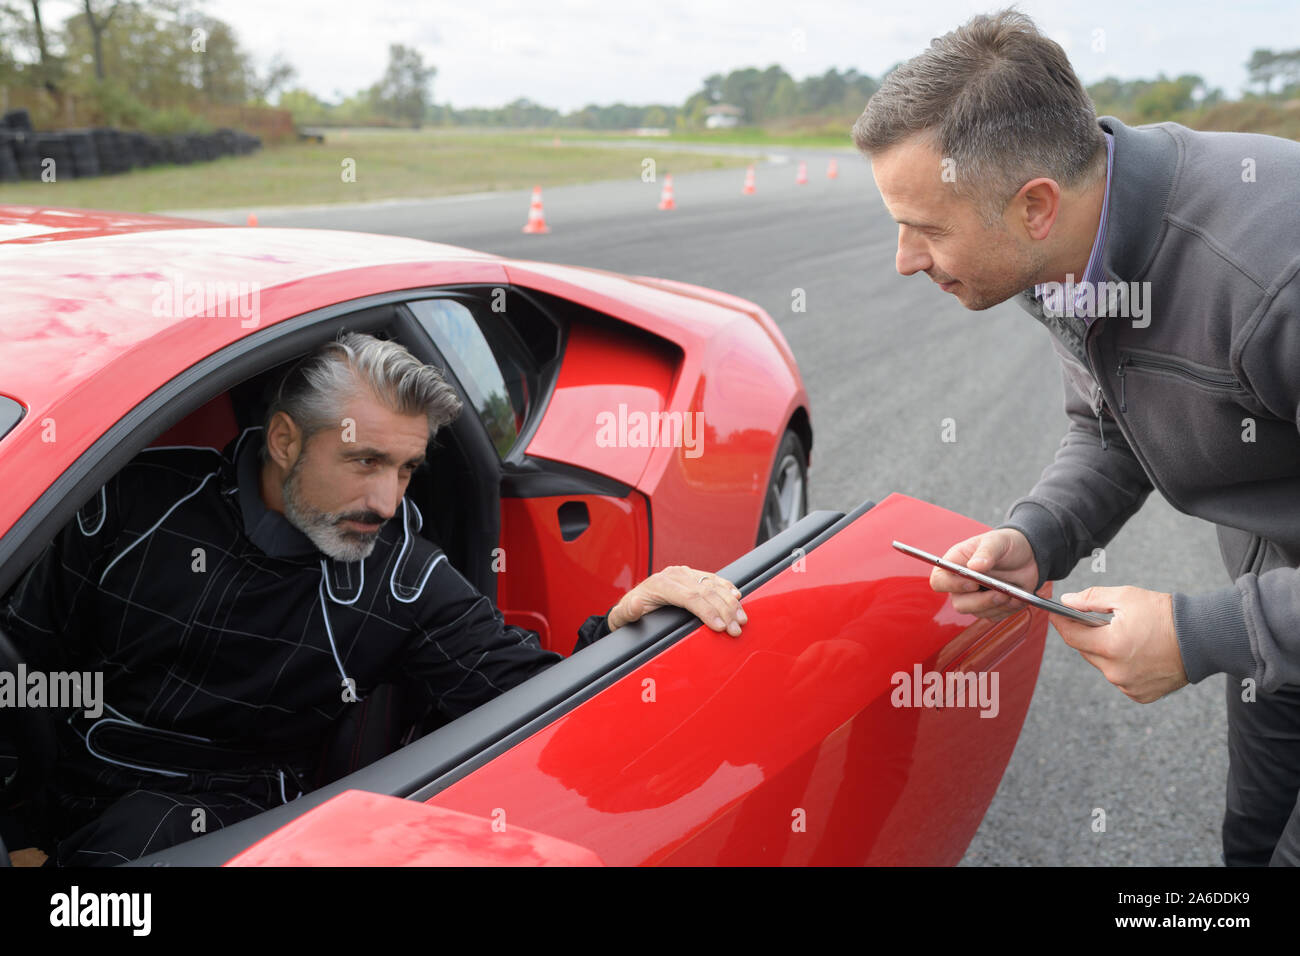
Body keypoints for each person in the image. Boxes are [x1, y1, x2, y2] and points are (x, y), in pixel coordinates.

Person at [0, 331, 747, 865]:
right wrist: (21, 834)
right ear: (285, 442)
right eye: (364, 462)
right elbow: (20, 670)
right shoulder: (127, 504)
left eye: (407, 469)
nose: (387, 502)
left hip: (230, 825)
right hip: (59, 788)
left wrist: (615, 626)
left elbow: (536, 701)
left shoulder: (402, 578)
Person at [852, 9, 1300, 866]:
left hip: (1266, 613)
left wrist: (1201, 633)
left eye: (929, 228)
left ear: (1034, 205)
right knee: (1251, 842)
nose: (905, 259)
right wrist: (1039, 535)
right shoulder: (1065, 254)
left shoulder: (1273, 275)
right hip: (1277, 607)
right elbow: (1109, 426)